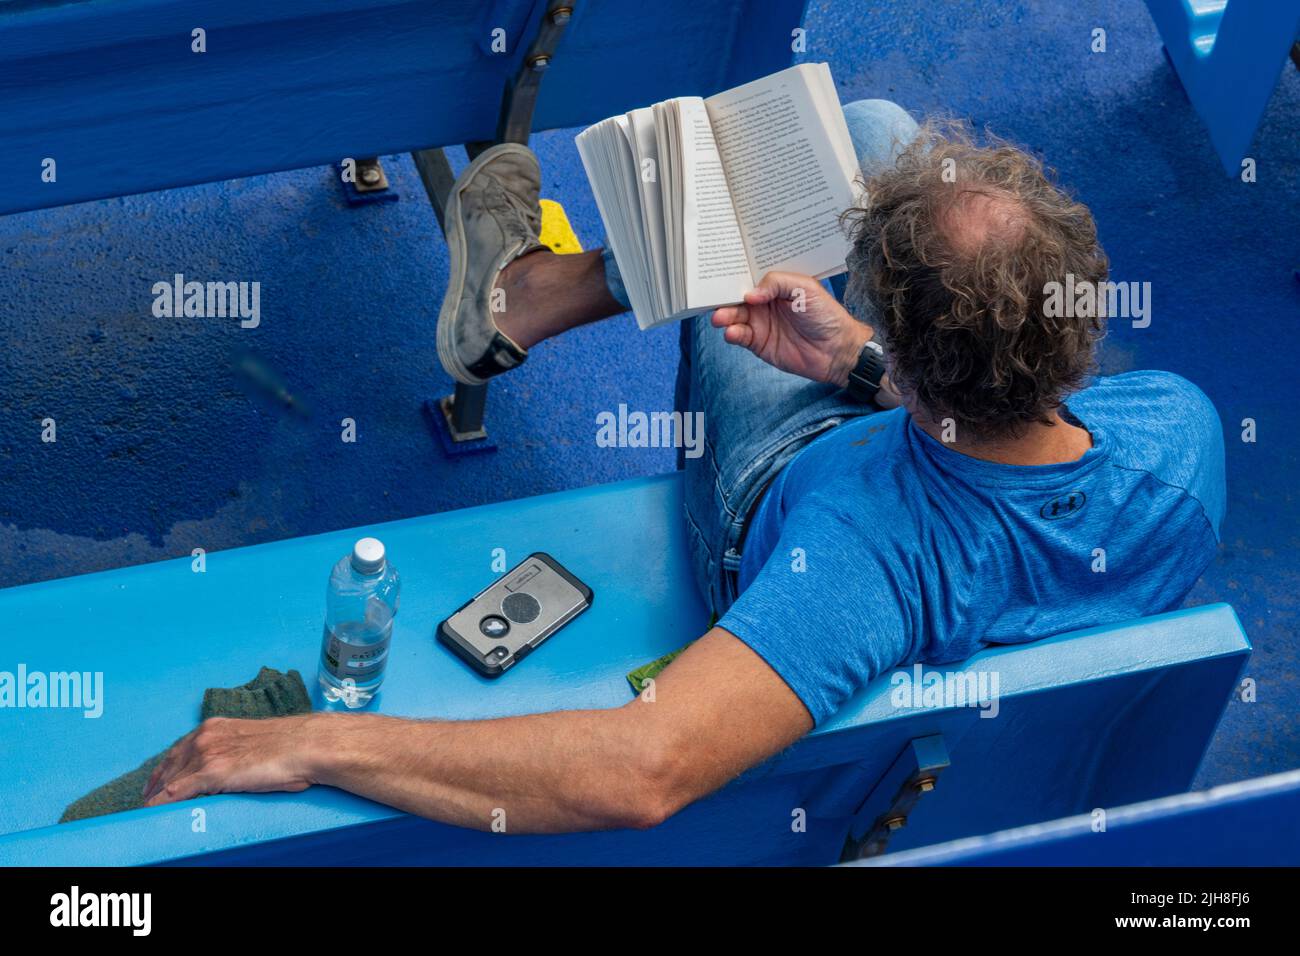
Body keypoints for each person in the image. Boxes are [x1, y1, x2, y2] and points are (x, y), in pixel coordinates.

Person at [142, 100, 1225, 833]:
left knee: (747, 226)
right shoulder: (1179, 433)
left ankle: (526, 292)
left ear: (896, 317)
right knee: (876, 128)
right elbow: (998, 418)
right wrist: (858, 360)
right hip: (916, 446)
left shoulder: (853, 555)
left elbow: (640, 768)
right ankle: (533, 288)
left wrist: (320, 740)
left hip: (785, 487)